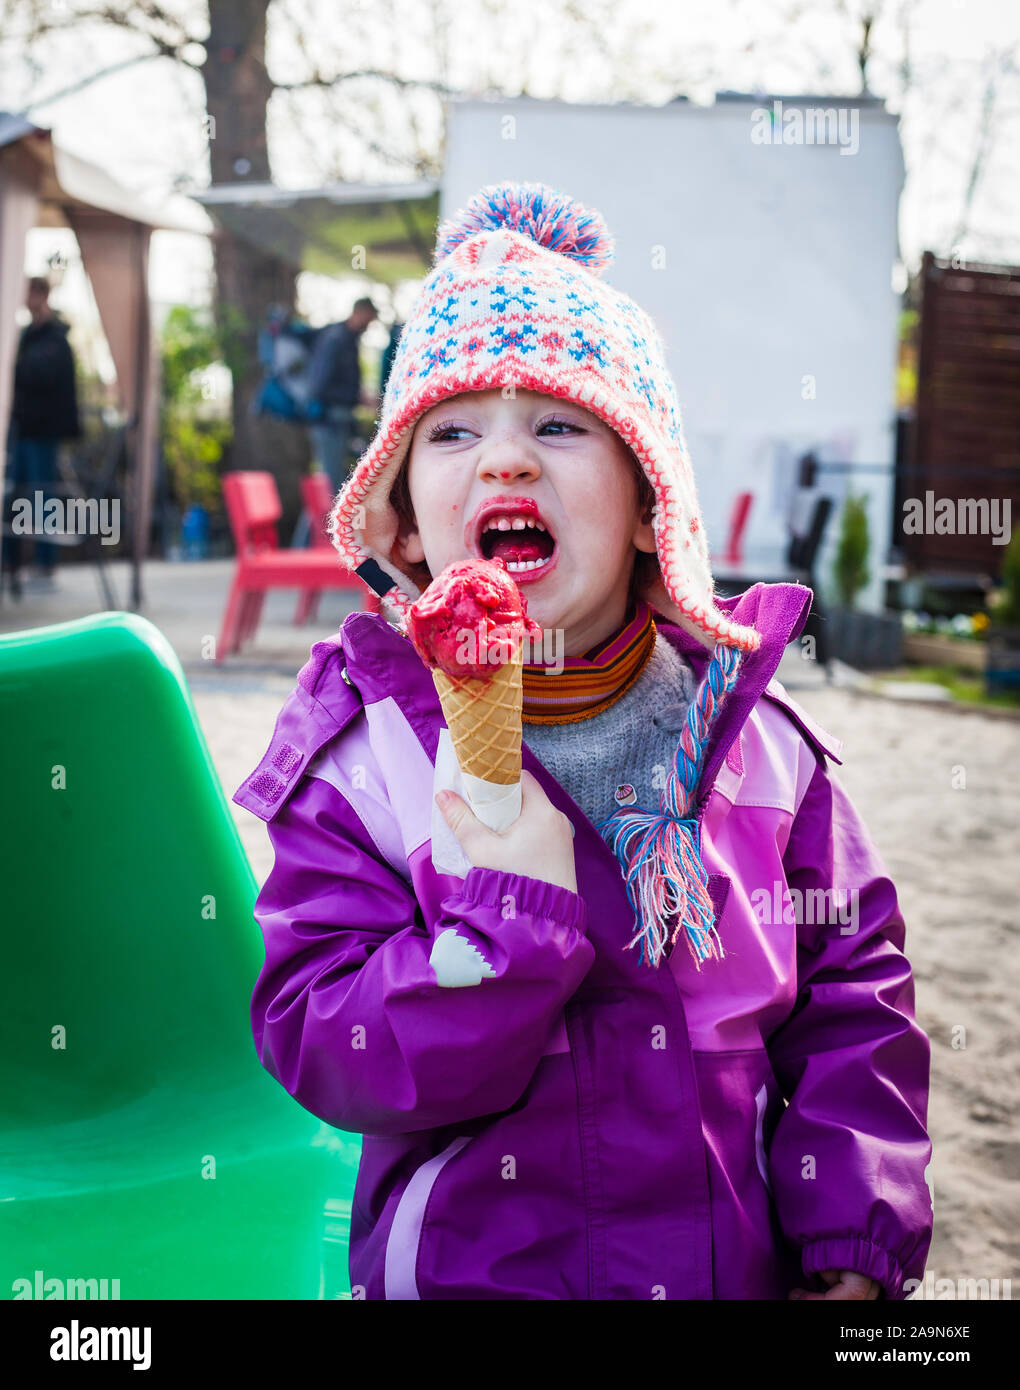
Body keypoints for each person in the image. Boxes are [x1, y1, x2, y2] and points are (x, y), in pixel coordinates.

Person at [233, 182, 932, 1301]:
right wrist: (498, 933)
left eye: (559, 424)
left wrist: (854, 1230)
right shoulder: (366, 762)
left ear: (653, 501)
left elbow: (855, 1004)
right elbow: (320, 1034)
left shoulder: (763, 755)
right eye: (454, 431)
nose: (506, 461)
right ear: (402, 520)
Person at [4, 275, 80, 592]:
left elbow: (41, 378)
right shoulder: (25, 337)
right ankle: (10, 564)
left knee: (41, 497)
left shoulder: (54, 339)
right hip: (20, 429)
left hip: (43, 431)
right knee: (12, 494)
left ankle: (45, 562)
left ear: (41, 295)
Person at [304, 296, 378, 493]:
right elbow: (319, 385)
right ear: (359, 313)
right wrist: (355, 397)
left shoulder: (349, 340)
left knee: (339, 479)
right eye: (368, 320)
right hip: (329, 422)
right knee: (332, 482)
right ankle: (328, 524)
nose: (368, 326)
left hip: (341, 421)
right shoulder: (335, 339)